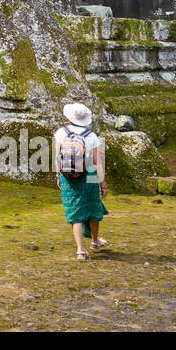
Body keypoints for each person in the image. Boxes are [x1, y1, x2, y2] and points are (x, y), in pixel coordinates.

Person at [54, 102, 108, 260]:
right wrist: (102, 182)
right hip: (89, 173)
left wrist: (58, 175)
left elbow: (57, 157)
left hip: (68, 176)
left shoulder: (60, 133)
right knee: (93, 207)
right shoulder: (91, 136)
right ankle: (95, 241)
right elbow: (97, 161)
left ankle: (80, 250)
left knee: (74, 211)